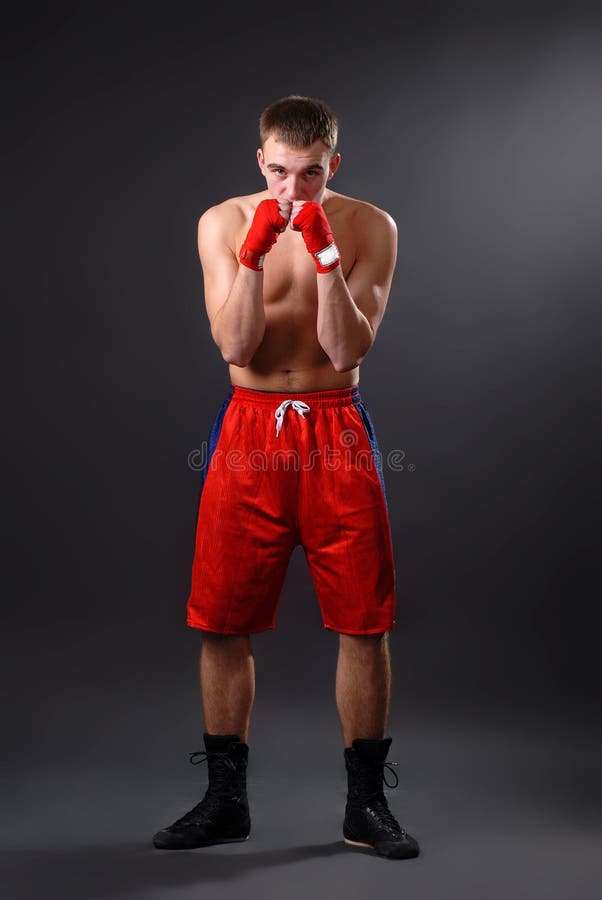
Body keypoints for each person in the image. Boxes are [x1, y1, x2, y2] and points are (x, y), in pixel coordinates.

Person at [152, 95, 420, 860]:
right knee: (223, 619)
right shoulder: (222, 221)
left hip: (336, 427)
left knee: (364, 621)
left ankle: (364, 808)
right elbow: (236, 348)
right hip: (249, 431)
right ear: (258, 161)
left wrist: (327, 256)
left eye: (309, 175)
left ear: (333, 165)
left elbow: (344, 352)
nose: (292, 192)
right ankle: (224, 802)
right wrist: (253, 256)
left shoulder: (371, 227)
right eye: (278, 172)